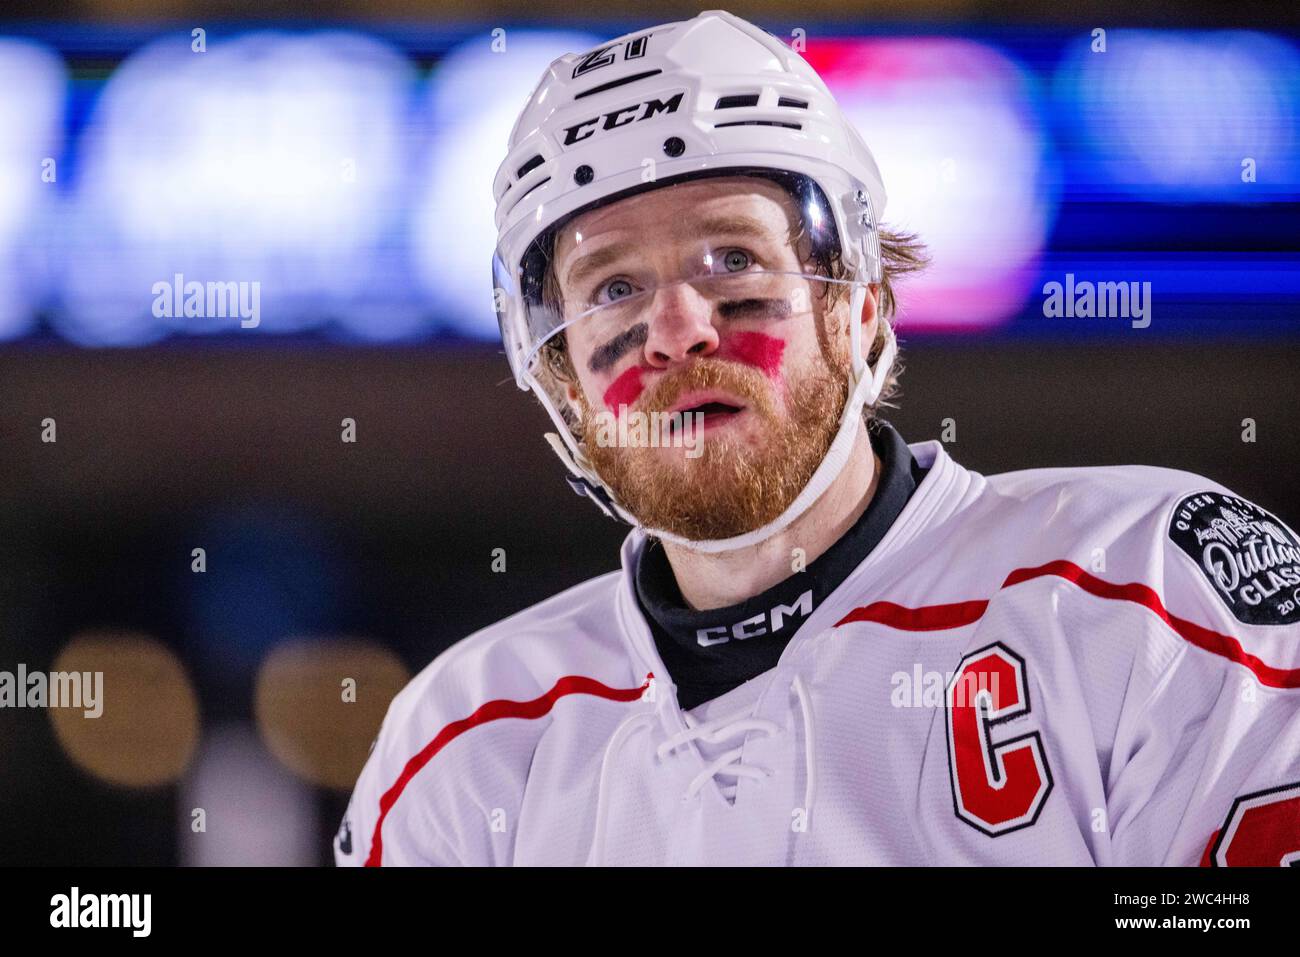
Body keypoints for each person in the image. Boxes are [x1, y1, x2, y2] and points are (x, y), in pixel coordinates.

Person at [336, 9, 1300, 866]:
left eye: (733, 259)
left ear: (864, 312)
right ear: (561, 379)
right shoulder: (459, 746)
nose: (677, 331)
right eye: (614, 287)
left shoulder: (1149, 595)